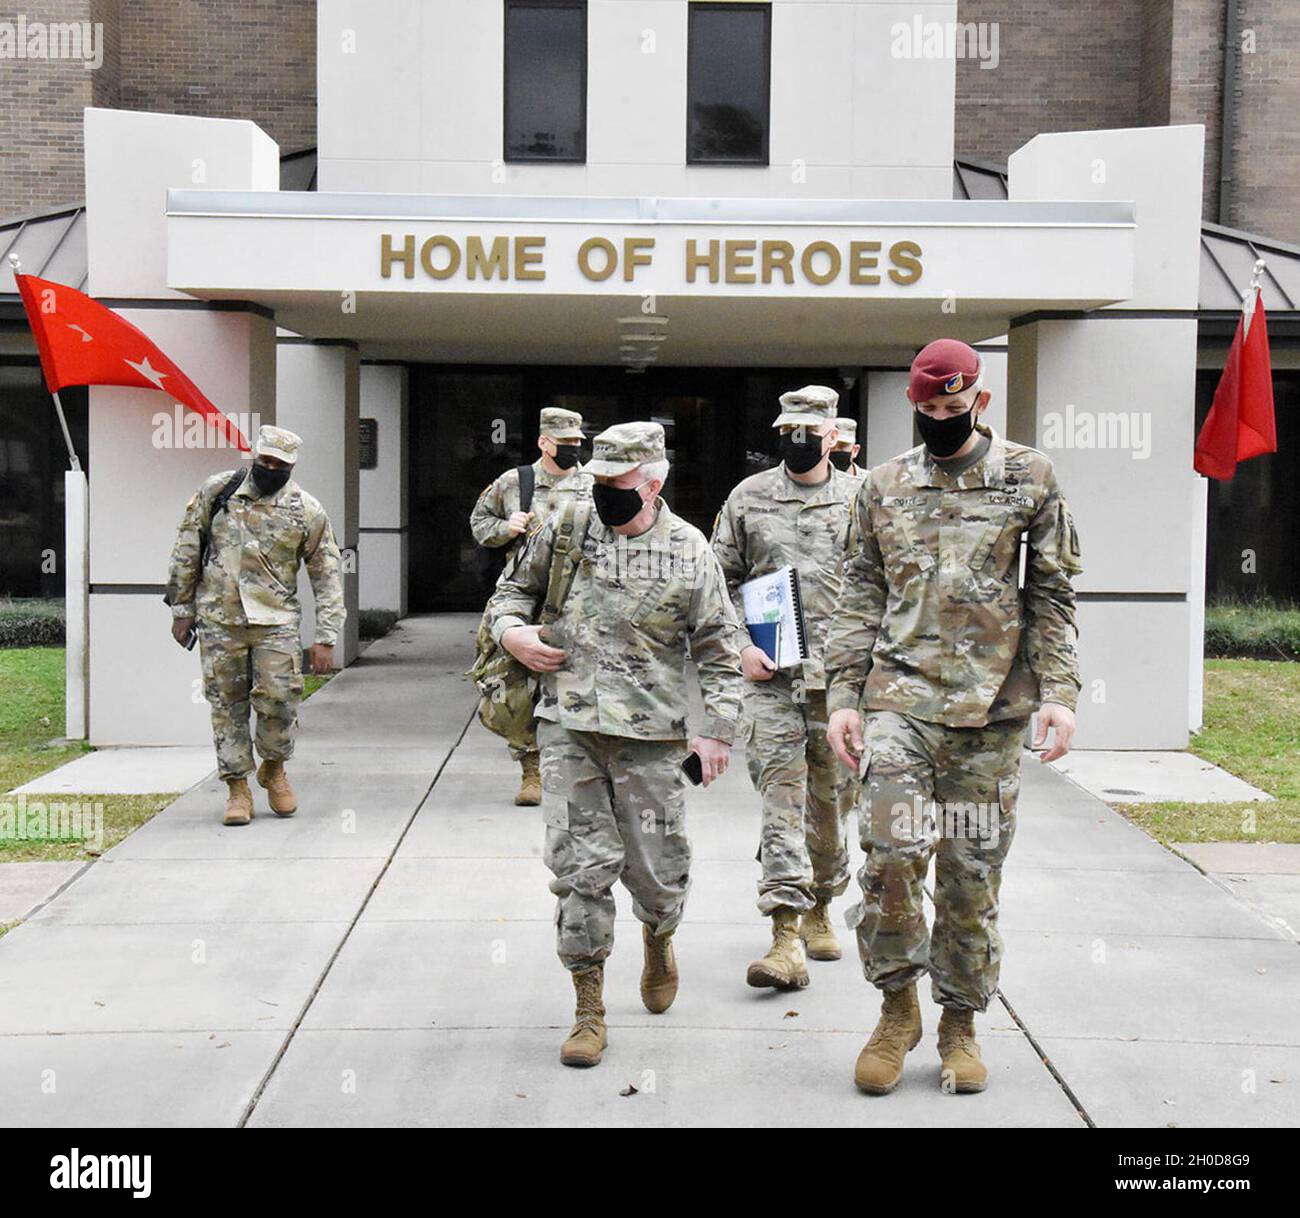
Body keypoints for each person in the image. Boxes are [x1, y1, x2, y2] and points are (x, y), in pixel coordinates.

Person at [824, 339, 1083, 1096]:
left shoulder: (1030, 479)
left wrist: (1060, 693)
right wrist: (842, 696)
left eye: (953, 407)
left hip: (991, 712)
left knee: (971, 875)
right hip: (899, 702)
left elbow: (1053, 596)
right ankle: (897, 1008)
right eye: (929, 409)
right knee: (891, 856)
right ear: (913, 406)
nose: (942, 419)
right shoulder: (881, 486)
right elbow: (859, 593)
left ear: (981, 402)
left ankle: (960, 1021)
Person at [484, 421, 743, 1068]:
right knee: (579, 870)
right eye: (596, 480)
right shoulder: (567, 528)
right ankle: (588, 1006)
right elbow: (509, 593)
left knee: (656, 873)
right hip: (568, 725)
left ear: (653, 485)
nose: (601, 492)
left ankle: (659, 934)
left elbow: (719, 650)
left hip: (652, 739)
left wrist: (716, 733)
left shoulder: (690, 551)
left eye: (617, 484)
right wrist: (512, 632)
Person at [711, 386, 858, 989]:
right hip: (771, 681)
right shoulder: (749, 497)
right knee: (782, 798)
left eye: (807, 432)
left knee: (829, 806)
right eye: (786, 431)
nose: (795, 441)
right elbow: (717, 581)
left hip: (842, 687)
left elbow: (888, 588)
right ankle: (784, 932)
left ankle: (824, 898)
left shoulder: (862, 499)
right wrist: (741, 646)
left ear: (831, 437)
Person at [165, 425, 345, 827]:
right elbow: (187, 547)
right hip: (219, 619)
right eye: (264, 461)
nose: (270, 468)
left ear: (291, 466)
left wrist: (326, 636)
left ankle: (275, 768)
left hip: (276, 621)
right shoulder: (218, 492)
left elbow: (326, 572)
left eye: (279, 465)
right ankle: (237, 787)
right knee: (226, 705)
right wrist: (181, 609)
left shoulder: (306, 509)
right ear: (253, 457)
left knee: (280, 699)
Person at [470, 406, 593, 805]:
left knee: (572, 684)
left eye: (577, 443)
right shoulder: (515, 482)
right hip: (525, 596)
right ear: (544, 442)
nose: (573, 450)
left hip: (575, 598)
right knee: (520, 689)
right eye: (565, 443)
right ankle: (531, 767)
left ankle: (574, 766)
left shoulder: (592, 484)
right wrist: (506, 529)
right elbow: (479, 523)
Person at [829, 416, 866, 482]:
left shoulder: (869, 482)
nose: (836, 451)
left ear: (855, 451)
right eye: (831, 447)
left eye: (842, 446)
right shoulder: (813, 481)